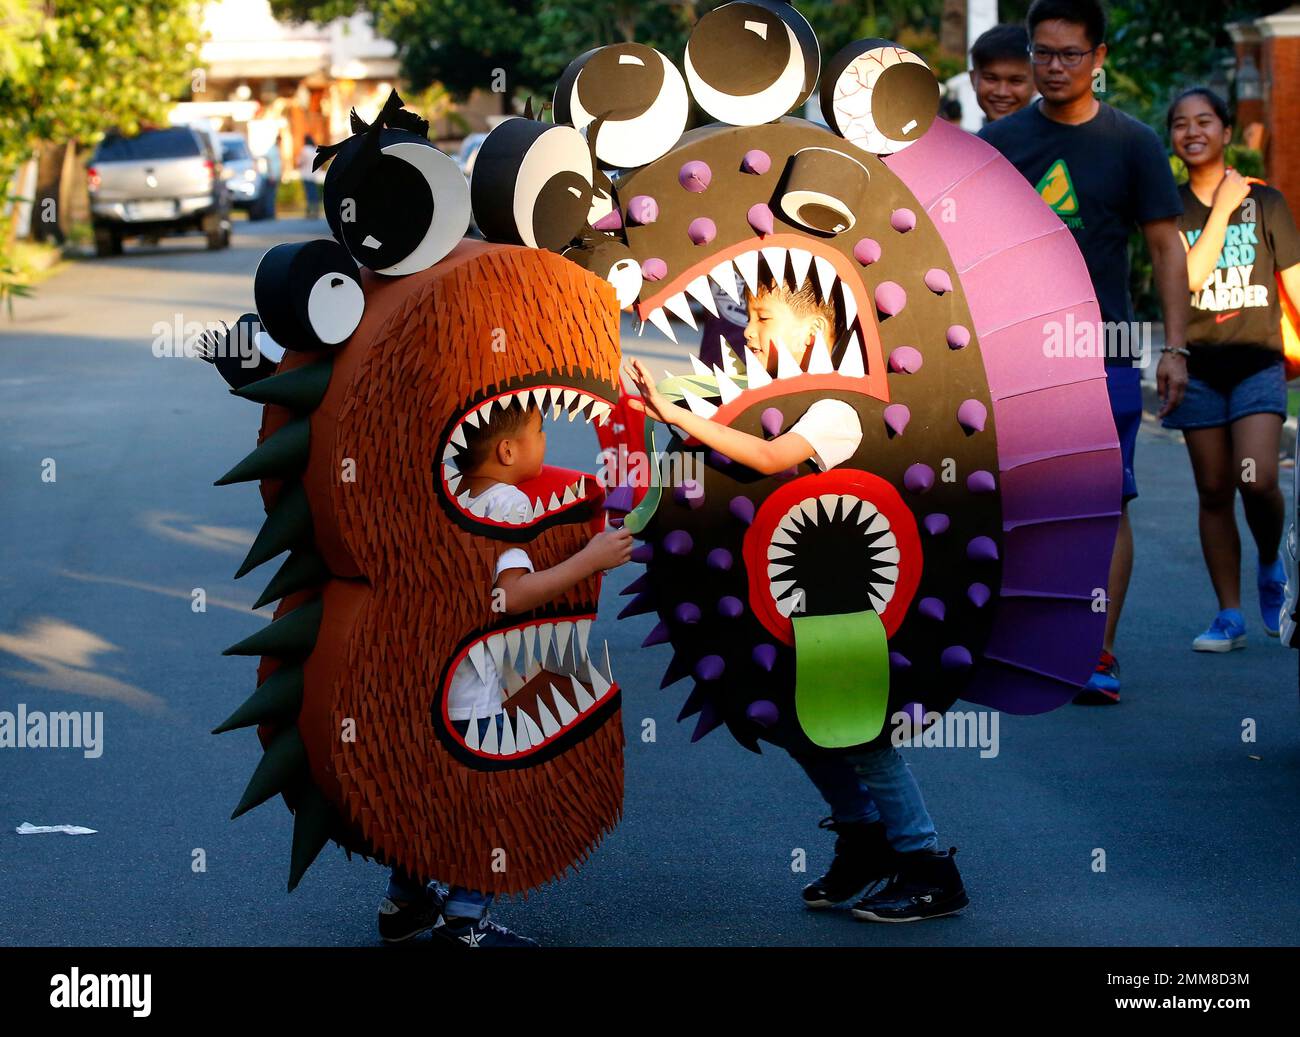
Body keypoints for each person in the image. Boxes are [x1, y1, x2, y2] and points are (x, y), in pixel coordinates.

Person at [626, 263, 968, 923]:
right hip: (794, 607)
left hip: (844, 605)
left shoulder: (834, 407)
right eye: (748, 319)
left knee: (861, 733)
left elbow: (770, 459)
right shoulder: (769, 398)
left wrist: (676, 413)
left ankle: (929, 867)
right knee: (797, 723)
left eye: (764, 319)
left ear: (815, 327)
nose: (749, 335)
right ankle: (865, 840)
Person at [979, 0, 1190, 704]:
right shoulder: (1001, 140)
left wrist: (1176, 346)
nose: (1054, 67)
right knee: (1020, 497)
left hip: (1107, 351)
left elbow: (1165, 245)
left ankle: (1097, 650)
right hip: (1013, 355)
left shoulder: (1131, 143)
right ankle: (1024, 642)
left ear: (1100, 58)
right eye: (1044, 53)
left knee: (1107, 500)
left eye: (1070, 54)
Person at [378, 397, 634, 947]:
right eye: (541, 431)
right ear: (508, 449)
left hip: (416, 677)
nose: (546, 442)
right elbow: (510, 595)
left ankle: (404, 900)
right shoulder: (507, 503)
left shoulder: (437, 488)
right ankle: (465, 918)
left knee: (423, 791)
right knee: (487, 799)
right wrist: (591, 559)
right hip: (472, 688)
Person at [1163, 87, 1300, 649]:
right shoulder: (1167, 209)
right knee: (1215, 490)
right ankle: (1230, 614)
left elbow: (1294, 279)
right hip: (1196, 368)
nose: (1192, 131)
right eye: (1179, 124)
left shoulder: (1266, 202)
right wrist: (1221, 207)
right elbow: (1188, 279)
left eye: (1204, 121)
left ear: (1224, 130)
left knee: (1258, 477)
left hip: (1257, 363)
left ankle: (1270, 561)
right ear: (1172, 138)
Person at [969, 24, 1035, 123]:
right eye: (991, 79)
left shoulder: (1056, 137)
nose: (1002, 92)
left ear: (1036, 84)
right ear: (973, 79)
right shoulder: (956, 138)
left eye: (1015, 81)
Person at [297, 135, 323, 219]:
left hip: (306, 175)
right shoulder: (314, 149)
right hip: (314, 175)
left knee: (309, 193)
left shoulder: (305, 150)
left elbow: (300, 162)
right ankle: (316, 211)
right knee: (314, 193)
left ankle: (310, 212)